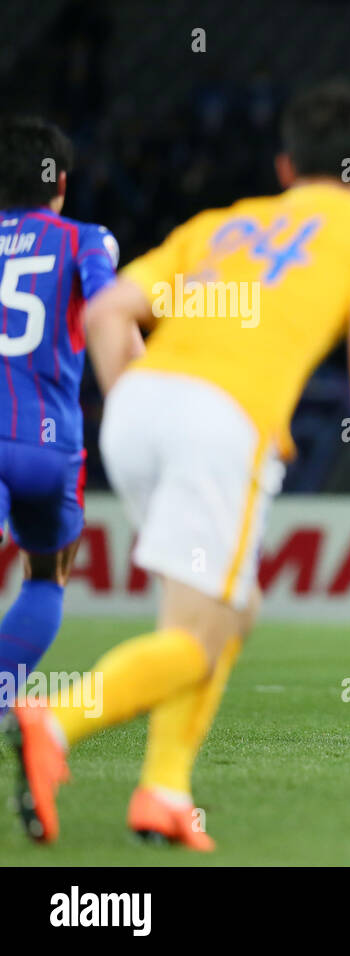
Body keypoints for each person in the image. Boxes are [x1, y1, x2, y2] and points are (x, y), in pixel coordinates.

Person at [5, 81, 350, 849]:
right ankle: (56, 720)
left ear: (284, 164)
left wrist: (137, 406)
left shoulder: (222, 225)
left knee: (227, 614)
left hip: (135, 405)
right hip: (219, 422)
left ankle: (164, 789)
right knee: (201, 637)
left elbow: (106, 314)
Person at [0, 116, 118, 718]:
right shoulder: (86, 239)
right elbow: (108, 314)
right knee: (45, 576)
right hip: (51, 448)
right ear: (61, 183)